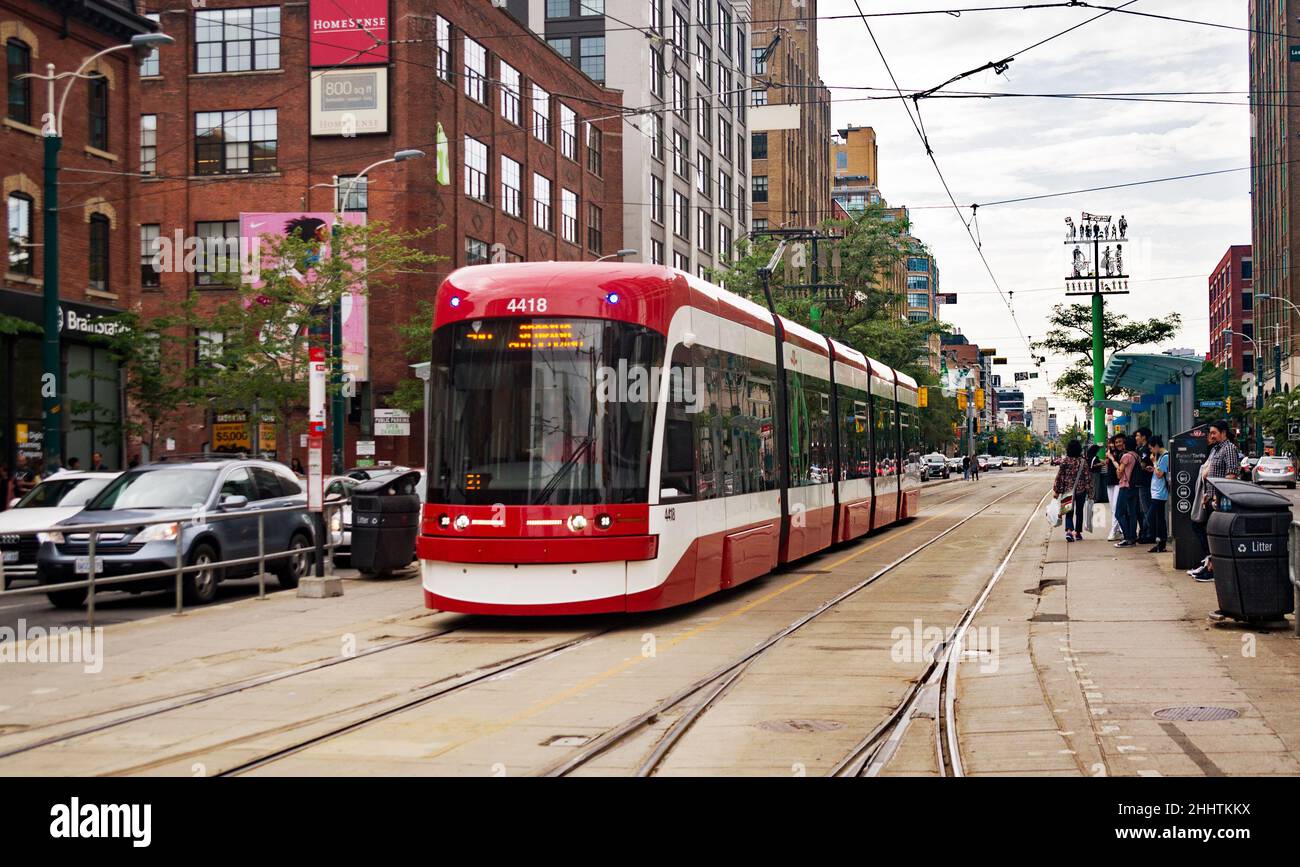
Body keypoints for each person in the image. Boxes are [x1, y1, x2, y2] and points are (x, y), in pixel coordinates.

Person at [1188, 420, 1243, 584]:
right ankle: (1210, 564)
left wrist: (1217, 496)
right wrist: (1208, 493)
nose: (1211, 436)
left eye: (1214, 433)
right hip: (1211, 498)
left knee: (1214, 534)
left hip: (1221, 501)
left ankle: (1213, 568)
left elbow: (1231, 474)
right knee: (1206, 530)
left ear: (1223, 432)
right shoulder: (1216, 449)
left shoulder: (1229, 449)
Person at [1054, 439, 1092, 542]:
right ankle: (1078, 533)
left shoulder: (1065, 461)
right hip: (1081, 490)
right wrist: (1090, 492)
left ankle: (1069, 532)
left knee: (1068, 512)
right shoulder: (1083, 461)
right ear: (1079, 449)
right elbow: (1088, 478)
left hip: (1068, 490)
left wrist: (1056, 491)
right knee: (1079, 512)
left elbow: (1060, 476)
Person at [1113, 435, 1139, 548]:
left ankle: (1127, 537)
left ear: (1125, 445)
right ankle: (1132, 537)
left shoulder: (1126, 456)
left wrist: (1116, 466)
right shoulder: (1136, 456)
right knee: (1132, 513)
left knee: (1119, 513)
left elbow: (1119, 473)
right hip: (1134, 487)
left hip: (1125, 486)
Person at [1146, 435, 1169, 553]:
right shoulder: (1161, 457)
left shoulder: (1165, 457)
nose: (1151, 451)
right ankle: (1161, 543)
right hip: (1156, 492)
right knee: (1159, 518)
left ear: (1156, 446)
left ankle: (1160, 540)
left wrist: (1154, 463)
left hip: (1160, 493)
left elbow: (1160, 474)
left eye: (1151, 448)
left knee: (1151, 517)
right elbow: (1158, 472)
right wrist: (1153, 467)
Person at [1102, 434, 1124, 540]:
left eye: (1119, 442)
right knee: (1112, 508)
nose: (1116, 444)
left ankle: (1113, 531)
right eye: (1115, 442)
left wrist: (1111, 458)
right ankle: (1120, 529)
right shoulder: (1110, 453)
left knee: (1116, 508)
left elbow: (1120, 468)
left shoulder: (1122, 454)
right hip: (1110, 481)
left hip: (1119, 482)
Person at [1133, 428, 1154, 543]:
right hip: (1142, 483)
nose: (1136, 438)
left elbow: (1142, 464)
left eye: (1138, 435)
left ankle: (1148, 534)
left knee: (1146, 509)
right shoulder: (1140, 449)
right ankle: (1145, 532)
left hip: (1145, 483)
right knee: (1144, 509)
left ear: (1144, 437)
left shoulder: (1145, 450)